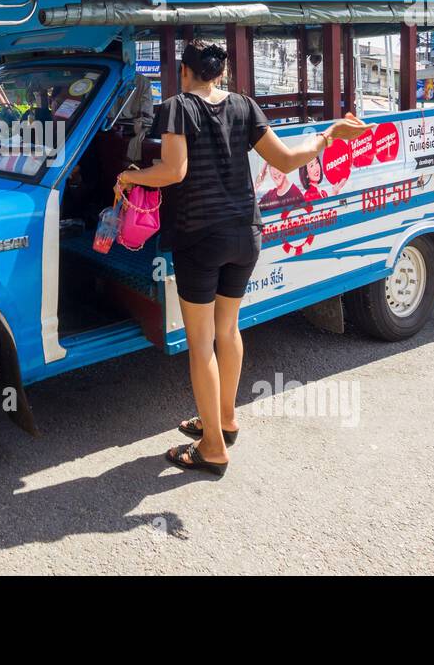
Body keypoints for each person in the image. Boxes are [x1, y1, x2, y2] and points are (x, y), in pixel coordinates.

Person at [115, 39, 369, 475]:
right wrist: (329, 135)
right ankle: (225, 418)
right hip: (245, 235)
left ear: (186, 72)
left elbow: (174, 171)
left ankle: (212, 446)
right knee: (227, 330)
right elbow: (288, 161)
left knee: (201, 344)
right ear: (222, 73)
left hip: (200, 238)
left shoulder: (178, 107)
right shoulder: (245, 106)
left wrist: (129, 175)